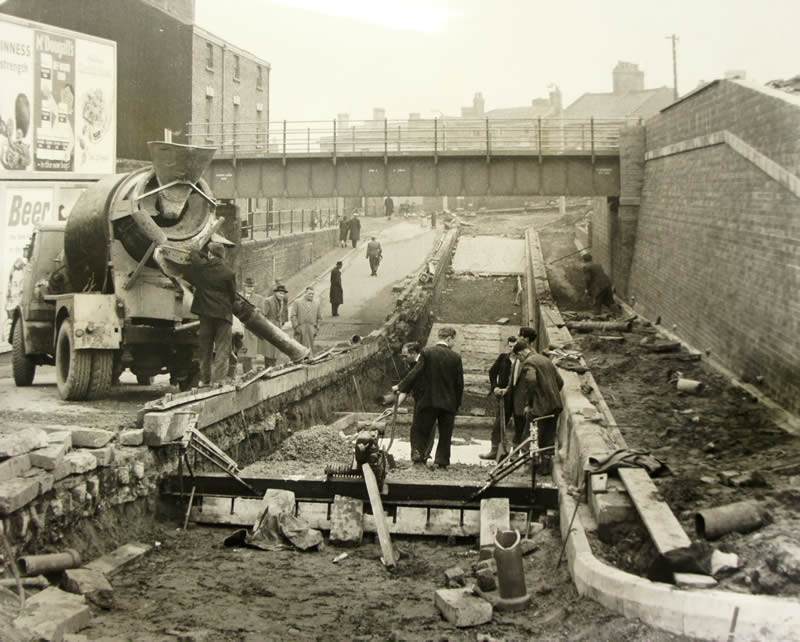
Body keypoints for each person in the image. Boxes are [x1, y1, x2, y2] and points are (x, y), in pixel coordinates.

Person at [158, 241, 236, 385]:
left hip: (206, 315)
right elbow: (232, 296)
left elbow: (193, 256)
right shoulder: (229, 273)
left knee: (205, 349)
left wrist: (197, 251)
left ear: (210, 254)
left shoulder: (201, 269)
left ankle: (205, 380)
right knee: (222, 350)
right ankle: (219, 381)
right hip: (223, 316)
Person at [394, 326, 464, 469]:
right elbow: (459, 384)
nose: (454, 343)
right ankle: (442, 462)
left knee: (421, 430)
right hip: (448, 403)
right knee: (445, 434)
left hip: (429, 400)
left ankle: (418, 461)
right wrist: (456, 405)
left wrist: (400, 386)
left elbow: (415, 372)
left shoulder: (427, 353)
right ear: (449, 338)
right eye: (454, 340)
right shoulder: (456, 357)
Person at [520, 345, 565, 475]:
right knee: (548, 436)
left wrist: (530, 403)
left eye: (519, 356)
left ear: (522, 353)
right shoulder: (545, 360)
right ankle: (545, 468)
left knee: (531, 434)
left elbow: (531, 380)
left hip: (539, 408)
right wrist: (551, 396)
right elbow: (560, 382)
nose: (520, 359)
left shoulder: (529, 362)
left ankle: (529, 467)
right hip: (555, 406)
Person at [479, 335, 517, 460]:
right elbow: (492, 372)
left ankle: (515, 453)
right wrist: (495, 387)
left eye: (514, 346)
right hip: (503, 396)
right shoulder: (503, 358)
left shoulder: (522, 359)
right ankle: (495, 450)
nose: (512, 349)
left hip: (517, 397)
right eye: (510, 346)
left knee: (519, 424)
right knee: (499, 423)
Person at [239, 276, 265, 373]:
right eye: (248, 287)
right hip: (240, 329)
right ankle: (245, 371)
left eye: (252, 287)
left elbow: (262, 313)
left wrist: (257, 311)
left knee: (249, 354)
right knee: (241, 352)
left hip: (251, 330)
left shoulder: (259, 299)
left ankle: (248, 372)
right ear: (244, 287)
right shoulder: (239, 296)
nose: (250, 289)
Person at [262, 284, 289, 367]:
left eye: (283, 294)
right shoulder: (268, 301)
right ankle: (268, 367)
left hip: (277, 327)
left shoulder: (281, 302)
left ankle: (273, 366)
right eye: (280, 293)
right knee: (269, 349)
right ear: (276, 293)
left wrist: (281, 324)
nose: (282, 295)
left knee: (276, 349)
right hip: (269, 327)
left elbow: (281, 314)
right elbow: (264, 315)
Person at [290, 287, 322, 354]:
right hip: (300, 329)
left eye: (313, 294)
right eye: (309, 294)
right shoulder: (297, 302)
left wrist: (316, 329)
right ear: (305, 293)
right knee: (298, 349)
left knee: (310, 350)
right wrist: (296, 327)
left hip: (311, 330)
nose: (311, 295)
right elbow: (293, 316)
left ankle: (309, 361)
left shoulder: (317, 303)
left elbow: (319, 318)